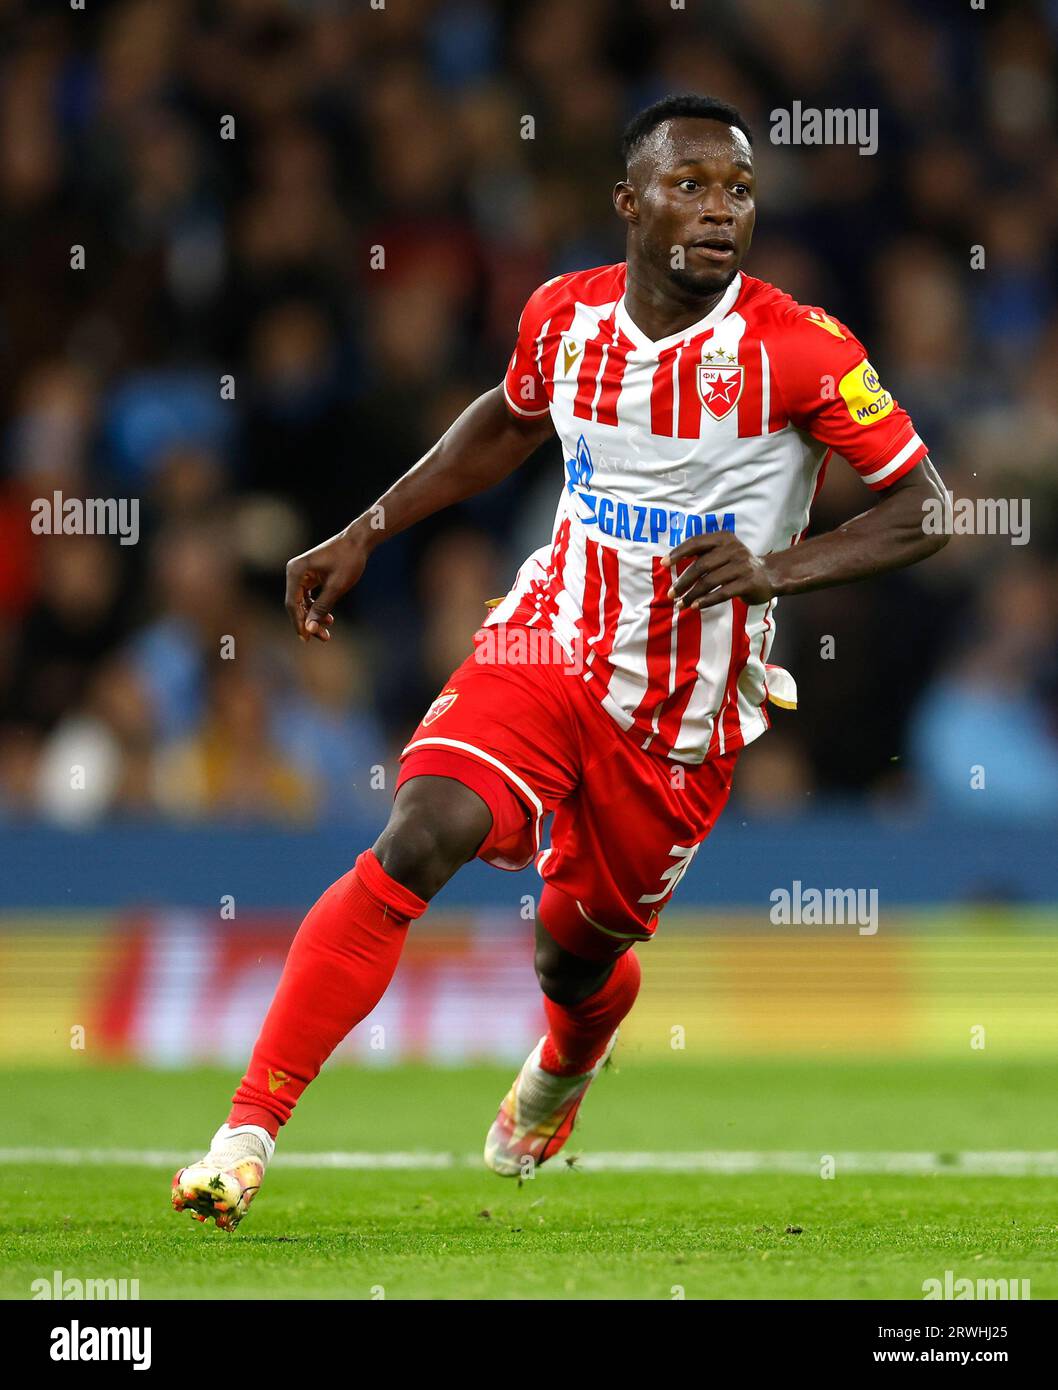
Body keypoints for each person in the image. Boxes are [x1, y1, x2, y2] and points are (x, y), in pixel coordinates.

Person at [172, 94, 948, 1230]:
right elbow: (505, 418)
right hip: (546, 640)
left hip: (679, 714)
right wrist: (368, 527)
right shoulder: (563, 315)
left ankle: (567, 1060)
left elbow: (923, 509)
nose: (719, 209)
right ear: (628, 203)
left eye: (737, 190)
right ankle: (243, 1137)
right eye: (690, 184)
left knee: (570, 955)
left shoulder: (800, 347)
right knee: (418, 831)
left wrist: (778, 568)